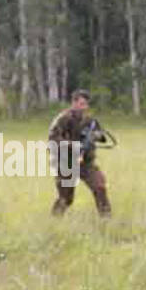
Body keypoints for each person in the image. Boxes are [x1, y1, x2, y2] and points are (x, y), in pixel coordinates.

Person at [48, 89, 111, 217]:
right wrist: (73, 145)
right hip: (66, 163)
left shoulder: (89, 121)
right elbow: (53, 140)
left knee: (100, 187)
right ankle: (54, 220)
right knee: (66, 198)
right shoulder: (63, 119)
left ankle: (106, 219)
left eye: (86, 104)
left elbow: (102, 136)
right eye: (81, 104)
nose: (84, 107)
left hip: (86, 163)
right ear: (74, 103)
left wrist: (95, 136)